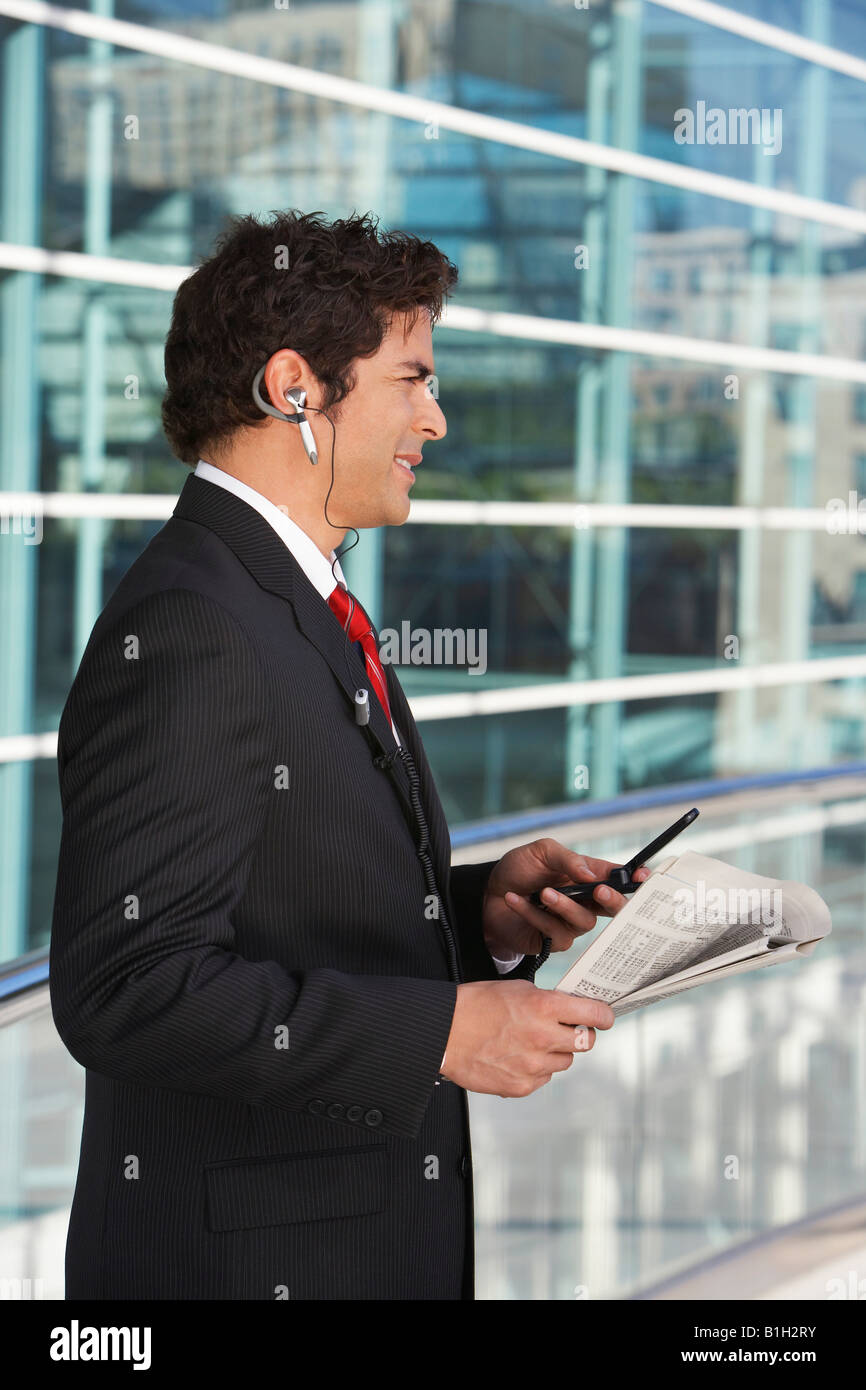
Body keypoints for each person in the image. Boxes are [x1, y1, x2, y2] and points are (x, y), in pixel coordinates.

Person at [49, 209, 647, 1301]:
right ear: (295, 388)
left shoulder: (285, 598)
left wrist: (480, 920)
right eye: (411, 378)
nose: (436, 415)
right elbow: (127, 986)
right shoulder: (196, 624)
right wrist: (440, 1032)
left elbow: (278, 904)